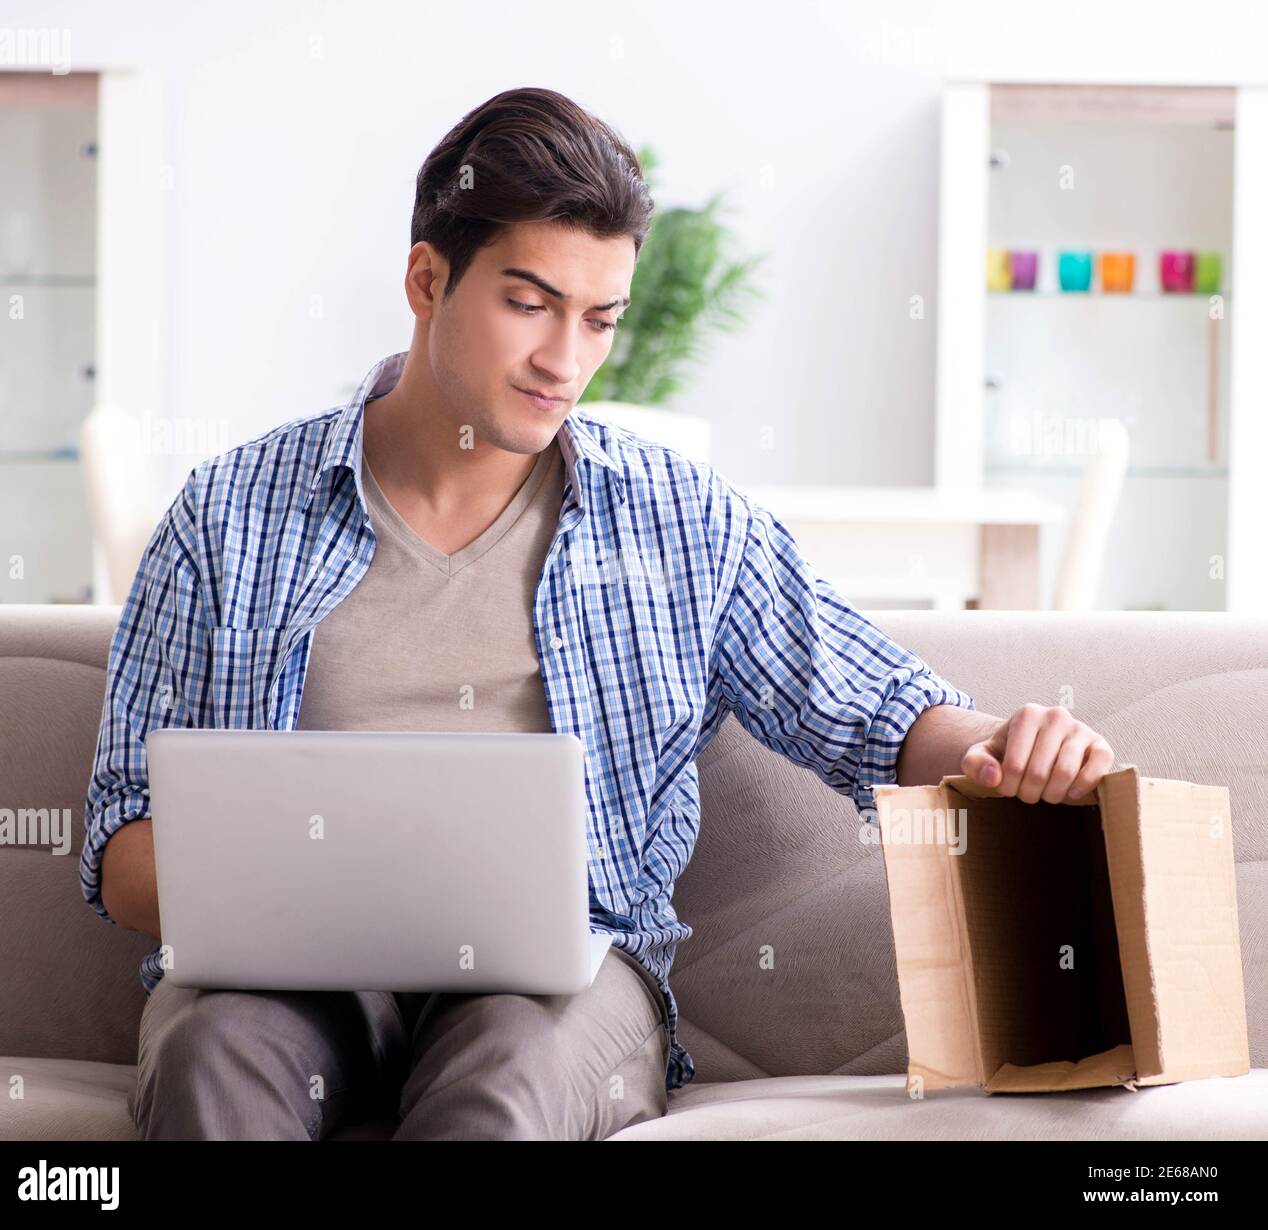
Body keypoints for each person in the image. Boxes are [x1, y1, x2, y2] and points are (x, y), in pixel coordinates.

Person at [81, 86, 1115, 1141]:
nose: (563, 361)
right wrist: (328, 882)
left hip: (561, 987)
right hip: (282, 982)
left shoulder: (678, 523)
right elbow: (121, 851)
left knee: (507, 1083)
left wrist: (1006, 747)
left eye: (599, 320)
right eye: (529, 305)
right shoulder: (229, 517)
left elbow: (876, 716)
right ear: (425, 279)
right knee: (213, 1059)